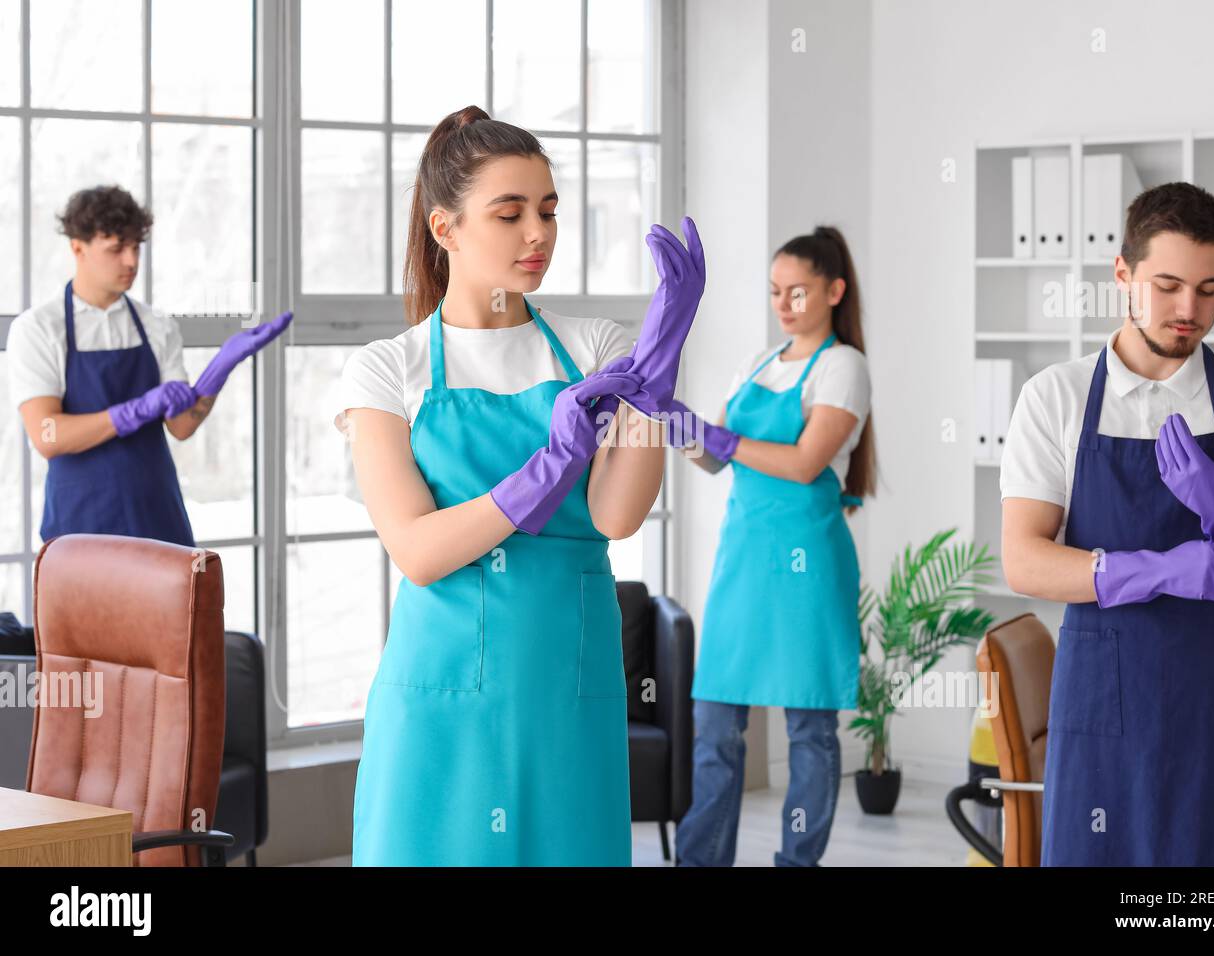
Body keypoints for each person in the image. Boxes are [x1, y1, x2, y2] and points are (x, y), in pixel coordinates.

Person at [339, 105, 704, 865]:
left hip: (567, 686)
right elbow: (418, 550)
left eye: (548, 211)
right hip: (440, 692)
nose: (537, 233)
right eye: (509, 214)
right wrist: (545, 471)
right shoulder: (386, 369)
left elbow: (616, 516)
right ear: (446, 229)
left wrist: (655, 376)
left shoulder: (593, 345)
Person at [1000, 181, 1214, 865]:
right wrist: (1158, 568)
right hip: (1102, 708)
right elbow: (1024, 561)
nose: (1189, 310)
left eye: (1209, 289)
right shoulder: (1056, 399)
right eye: (1167, 286)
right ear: (1123, 275)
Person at [651, 225, 875, 866]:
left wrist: (722, 440)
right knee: (715, 727)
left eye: (797, 292)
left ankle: (796, 863)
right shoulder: (755, 363)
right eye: (775, 291)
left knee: (809, 728)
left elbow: (806, 462)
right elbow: (713, 463)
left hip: (807, 567)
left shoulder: (843, 366)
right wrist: (679, 425)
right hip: (743, 565)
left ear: (833, 291)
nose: (784, 304)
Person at [6, 185, 291, 548]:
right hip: (80, 530)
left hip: (159, 522)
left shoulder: (157, 326)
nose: (131, 262)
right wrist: (133, 412)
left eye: (136, 247)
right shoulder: (40, 329)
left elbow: (182, 425)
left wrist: (219, 368)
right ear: (78, 247)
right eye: (116, 249)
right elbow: (47, 436)